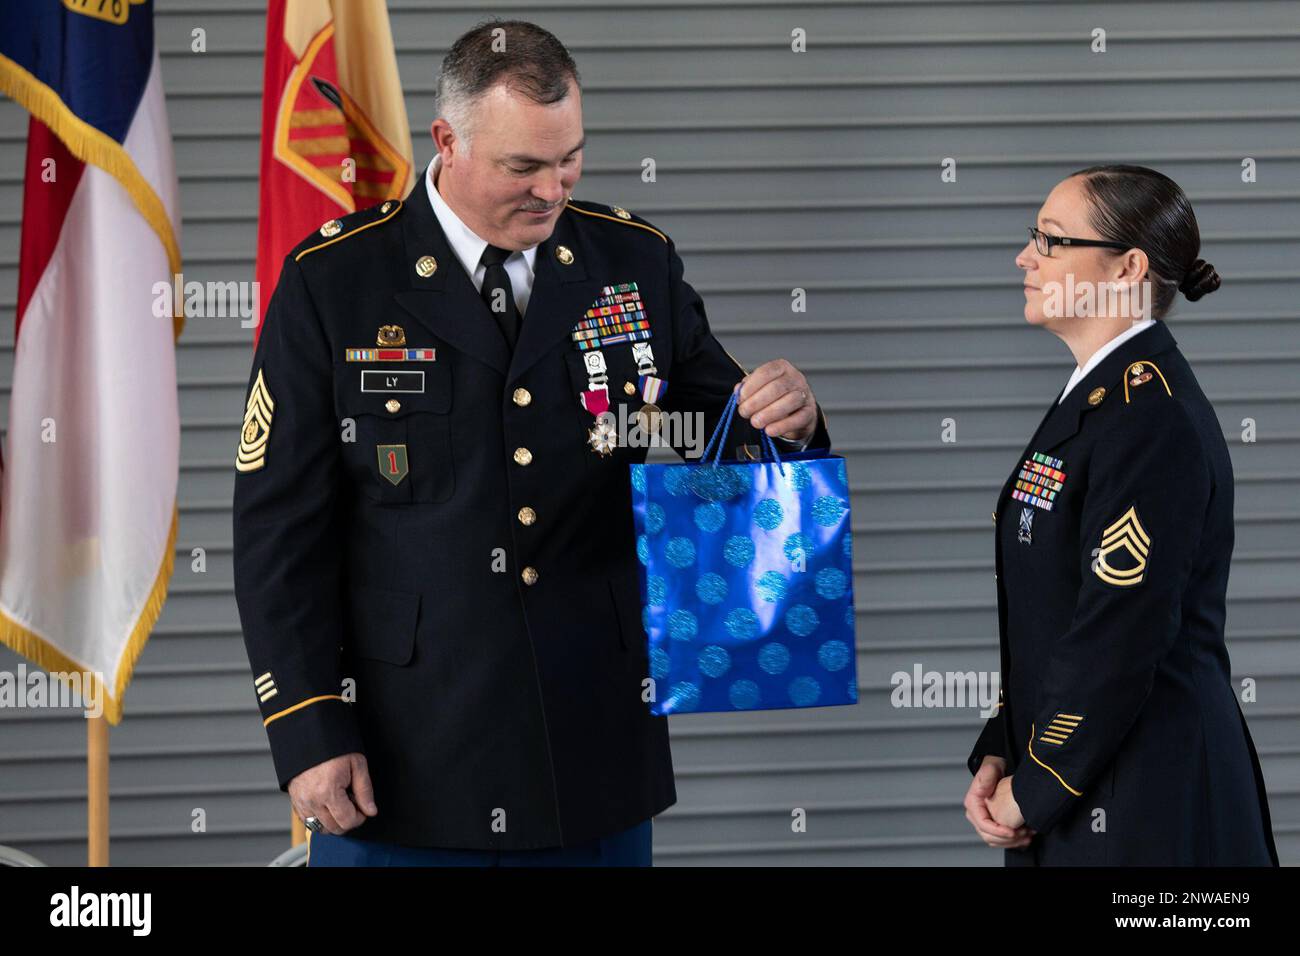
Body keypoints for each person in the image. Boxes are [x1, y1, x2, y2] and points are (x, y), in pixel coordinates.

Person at [232, 19, 830, 867]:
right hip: (403, 755)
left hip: (591, 748)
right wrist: (305, 725)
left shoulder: (632, 260)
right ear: (447, 140)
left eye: (571, 158)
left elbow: (719, 440)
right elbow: (277, 529)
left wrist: (790, 422)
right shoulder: (335, 281)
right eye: (524, 167)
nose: (553, 189)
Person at [962, 164, 1279, 866]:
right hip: (1082, 782)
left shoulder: (1149, 418)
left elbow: (1118, 634)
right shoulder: (1100, 395)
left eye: (1050, 240)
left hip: (1145, 804)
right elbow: (1056, 616)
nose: (1025, 257)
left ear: (1127, 266)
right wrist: (1002, 746)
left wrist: (1034, 784)